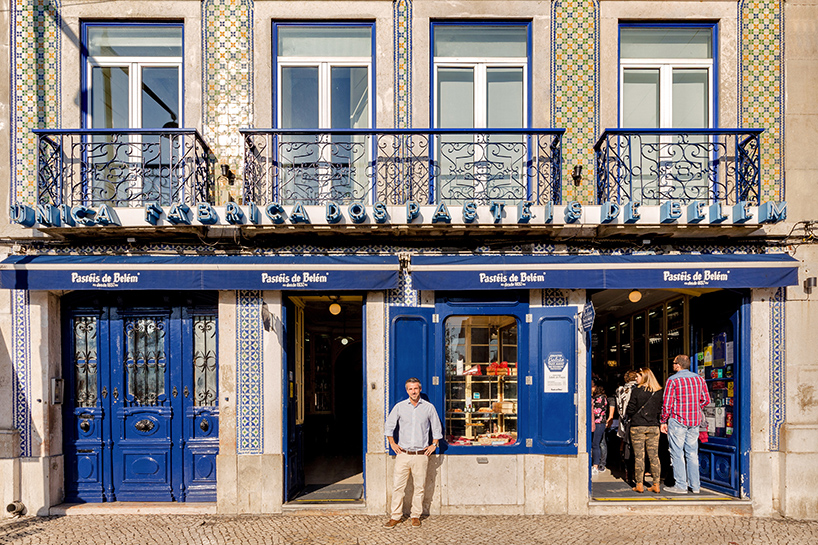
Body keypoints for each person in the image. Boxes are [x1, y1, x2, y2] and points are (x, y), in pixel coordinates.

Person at [384, 377, 443, 528]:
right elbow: (389, 426)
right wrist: (392, 443)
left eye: (415, 388)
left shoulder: (429, 408)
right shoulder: (400, 407)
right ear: (407, 390)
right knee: (398, 486)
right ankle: (395, 516)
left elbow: (437, 429)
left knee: (419, 487)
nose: (413, 391)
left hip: (421, 455)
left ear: (420, 389)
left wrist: (433, 445)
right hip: (403, 454)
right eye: (410, 389)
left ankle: (415, 515)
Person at [660, 354, 711, 494]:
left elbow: (667, 403)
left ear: (678, 365)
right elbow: (706, 399)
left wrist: (663, 420)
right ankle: (695, 486)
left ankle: (681, 485)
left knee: (677, 453)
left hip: (678, 420)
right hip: (694, 421)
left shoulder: (673, 380)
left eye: (673, 362)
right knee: (692, 453)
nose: (673, 365)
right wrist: (695, 407)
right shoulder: (699, 379)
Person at [626, 368, 663, 493]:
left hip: (638, 427)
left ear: (645, 377)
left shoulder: (636, 391)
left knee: (639, 456)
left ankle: (639, 484)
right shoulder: (659, 392)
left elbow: (630, 409)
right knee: (654, 456)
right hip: (653, 426)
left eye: (638, 376)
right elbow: (660, 409)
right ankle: (656, 484)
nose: (636, 379)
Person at [615, 370, 641, 484]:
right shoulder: (638, 389)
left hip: (623, 421)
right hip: (633, 421)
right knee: (635, 447)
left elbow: (619, 406)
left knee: (625, 445)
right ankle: (636, 473)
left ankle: (625, 469)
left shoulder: (619, 390)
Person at [590, 377, 608, 476]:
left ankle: (596, 465)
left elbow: (596, 412)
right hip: (598, 423)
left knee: (595, 444)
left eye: (592, 387)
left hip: (598, 423)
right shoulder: (598, 397)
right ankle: (598, 463)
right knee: (598, 443)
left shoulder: (599, 398)